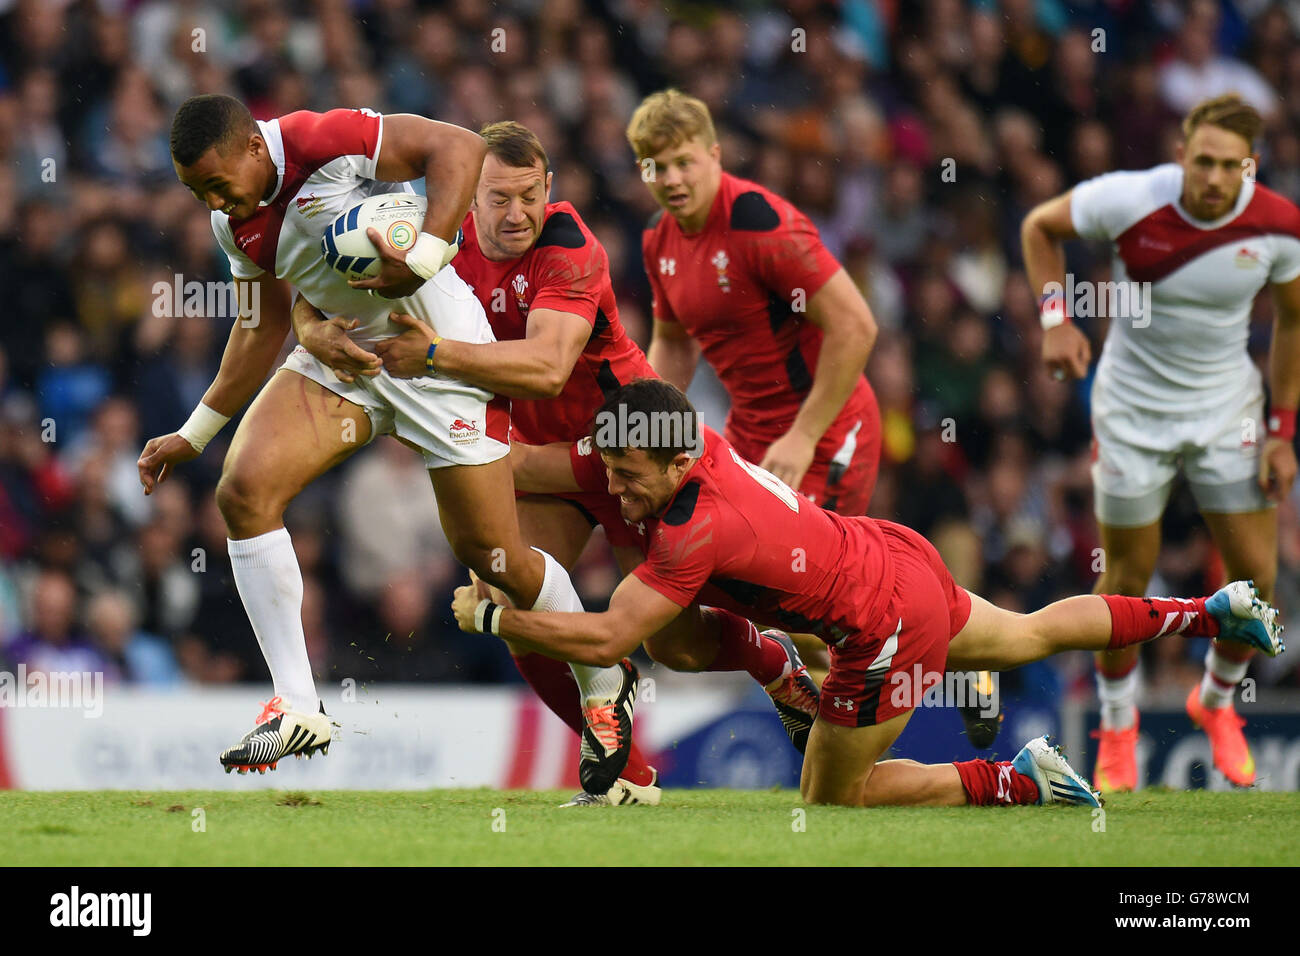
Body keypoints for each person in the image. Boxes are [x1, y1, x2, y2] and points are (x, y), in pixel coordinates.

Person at [295, 120, 819, 805]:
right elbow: (312, 288)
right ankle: (628, 778)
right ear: (467, 193)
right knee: (511, 593)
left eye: (529, 196)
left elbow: (546, 369)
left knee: (677, 645)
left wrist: (436, 359)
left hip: (632, 454)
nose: (517, 214)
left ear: (549, 188)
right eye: (498, 198)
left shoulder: (569, 246)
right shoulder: (427, 233)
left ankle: (779, 659)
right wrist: (314, 331)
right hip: (542, 457)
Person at [452, 379, 1284, 808]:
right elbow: (559, 469)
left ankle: (1017, 779)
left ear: (674, 465)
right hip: (893, 554)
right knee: (1033, 632)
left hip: (883, 628)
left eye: (628, 478)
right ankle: (1210, 613)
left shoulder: (692, 530)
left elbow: (607, 642)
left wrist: (496, 616)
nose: (615, 492)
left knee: (833, 795)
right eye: (611, 472)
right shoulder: (685, 436)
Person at [135, 95, 635, 794]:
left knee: (495, 557)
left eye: (217, 184)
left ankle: (604, 680)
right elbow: (256, 328)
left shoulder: (321, 140)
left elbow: (458, 146)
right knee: (243, 492)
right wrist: (192, 435)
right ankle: (297, 706)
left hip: (437, 355)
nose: (213, 202)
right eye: (198, 193)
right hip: (347, 361)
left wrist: (421, 258)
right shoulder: (232, 226)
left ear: (252, 148)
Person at [627, 88, 999, 746]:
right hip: (751, 439)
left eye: (685, 162)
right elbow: (676, 343)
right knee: (730, 595)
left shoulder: (760, 223)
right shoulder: (659, 239)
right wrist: (645, 430)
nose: (673, 178)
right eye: (657, 166)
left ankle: (956, 662)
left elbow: (857, 325)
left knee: (815, 597)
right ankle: (826, 698)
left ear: (715, 154)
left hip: (827, 430)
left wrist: (803, 434)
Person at [1022, 93, 1300, 790]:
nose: (1213, 177)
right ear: (1181, 155)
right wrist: (1056, 319)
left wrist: (1281, 433)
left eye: (1229, 166)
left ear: (1251, 167)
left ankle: (1216, 702)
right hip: (1132, 411)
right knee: (1126, 578)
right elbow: (1038, 227)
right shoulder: (1130, 199)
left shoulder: (1279, 226)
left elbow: (1294, 323)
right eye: (1202, 161)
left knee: (1257, 579)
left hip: (1227, 410)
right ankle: (1118, 724)